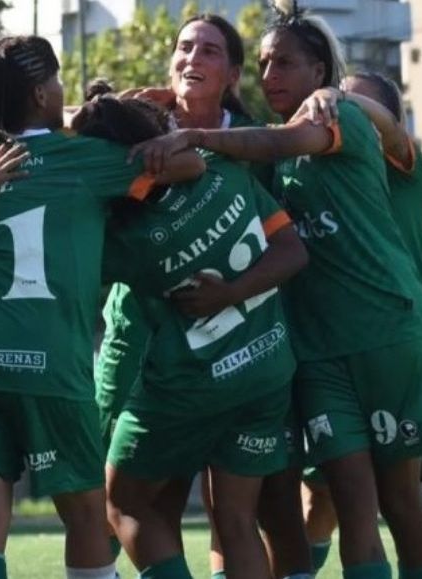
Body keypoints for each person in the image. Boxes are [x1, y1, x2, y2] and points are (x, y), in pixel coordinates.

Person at [132, 3, 422, 577]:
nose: (271, 75)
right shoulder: (271, 152)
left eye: (287, 64)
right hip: (315, 350)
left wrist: (344, 97)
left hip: (389, 332)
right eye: (267, 63)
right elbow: (266, 150)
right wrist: (156, 105)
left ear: (320, 71)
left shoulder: (333, 124)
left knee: (401, 503)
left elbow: (282, 143)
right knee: (347, 504)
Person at [0, 35, 204, 579]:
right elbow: (189, 166)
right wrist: (106, 123)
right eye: (55, 84)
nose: (62, 92)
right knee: (82, 514)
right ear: (37, 94)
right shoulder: (86, 158)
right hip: (47, 364)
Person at [102, 13, 312, 579]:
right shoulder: (135, 130)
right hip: (151, 348)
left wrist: (234, 292)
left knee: (250, 511)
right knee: (160, 504)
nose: (193, 59)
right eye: (184, 47)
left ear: (233, 75)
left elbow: (287, 247)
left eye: (210, 51)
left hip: (222, 355)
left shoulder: (250, 149)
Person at [294, 71, 422, 579]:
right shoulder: (316, 176)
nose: (337, 116)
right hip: (341, 355)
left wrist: (339, 99)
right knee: (321, 502)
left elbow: (380, 125)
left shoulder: (404, 169)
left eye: (353, 107)